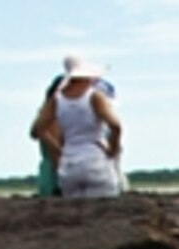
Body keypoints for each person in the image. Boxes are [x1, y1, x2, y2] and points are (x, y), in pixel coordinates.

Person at [33, 55, 123, 199]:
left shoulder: (56, 99)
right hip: (95, 160)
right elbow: (116, 126)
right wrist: (112, 149)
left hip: (69, 164)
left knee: (74, 209)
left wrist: (58, 150)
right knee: (104, 206)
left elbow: (37, 130)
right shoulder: (94, 97)